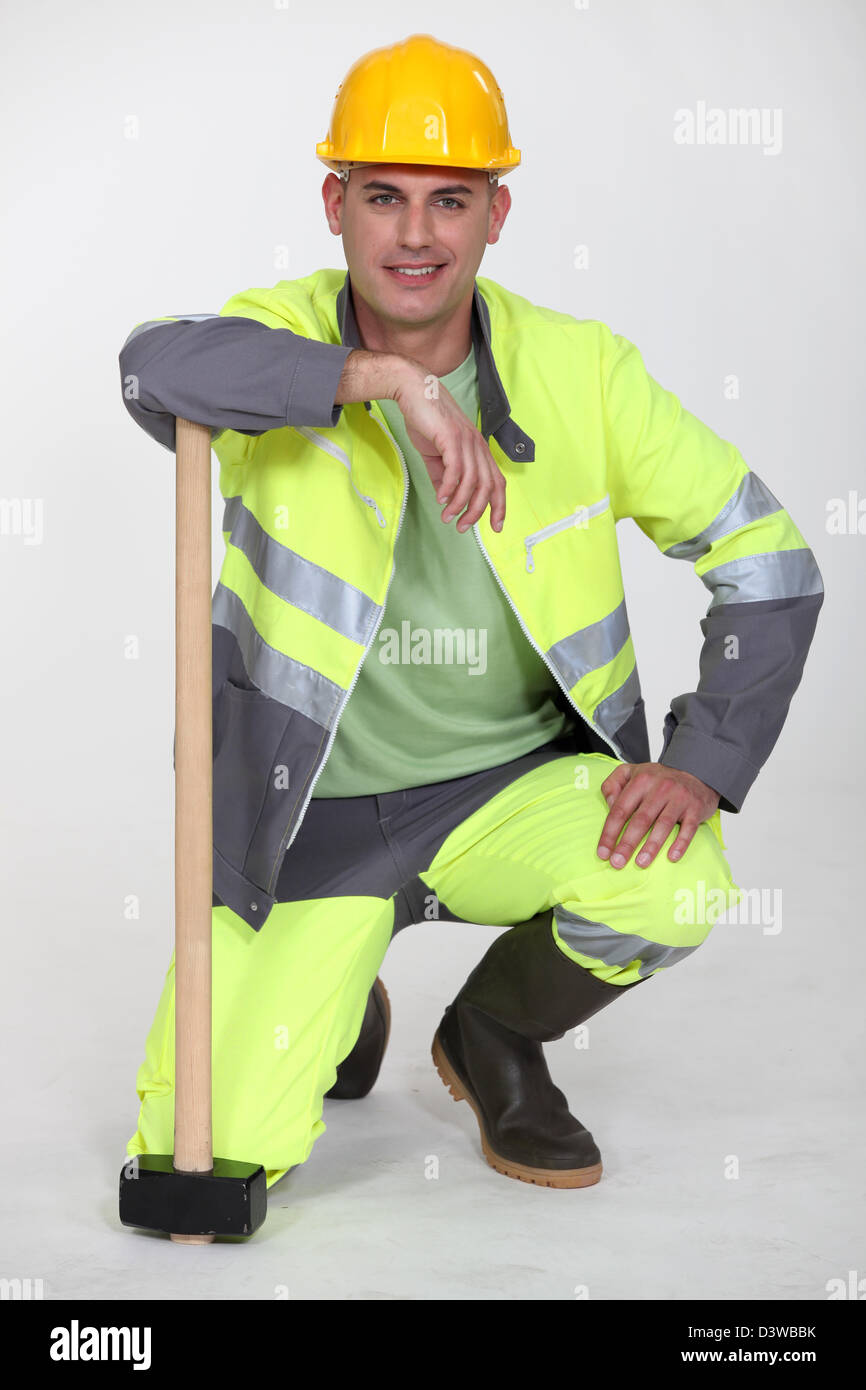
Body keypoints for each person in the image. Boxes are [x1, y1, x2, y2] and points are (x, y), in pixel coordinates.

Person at [118, 33, 824, 1190]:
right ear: (334, 203)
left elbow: (768, 554)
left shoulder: (582, 371)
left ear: (495, 214)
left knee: (677, 874)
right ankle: (340, 992)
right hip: (310, 826)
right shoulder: (270, 338)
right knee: (206, 1161)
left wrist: (703, 757)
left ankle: (493, 1031)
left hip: (508, 792)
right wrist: (386, 382)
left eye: (450, 200)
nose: (414, 235)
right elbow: (150, 368)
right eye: (383, 198)